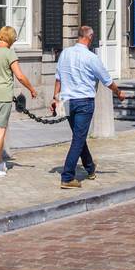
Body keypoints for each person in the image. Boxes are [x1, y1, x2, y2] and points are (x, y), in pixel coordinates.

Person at [52, 25, 125, 189]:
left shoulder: (65, 54)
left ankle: (90, 168)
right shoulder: (91, 57)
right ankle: (67, 176)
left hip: (68, 101)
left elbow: (58, 78)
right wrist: (118, 93)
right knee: (78, 138)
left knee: (80, 135)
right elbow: (106, 79)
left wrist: (55, 97)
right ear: (89, 38)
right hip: (84, 101)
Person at [0, 26, 37, 179]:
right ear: (10, 39)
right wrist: (31, 89)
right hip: (2, 96)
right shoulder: (9, 53)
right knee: (0, 132)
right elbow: (20, 76)